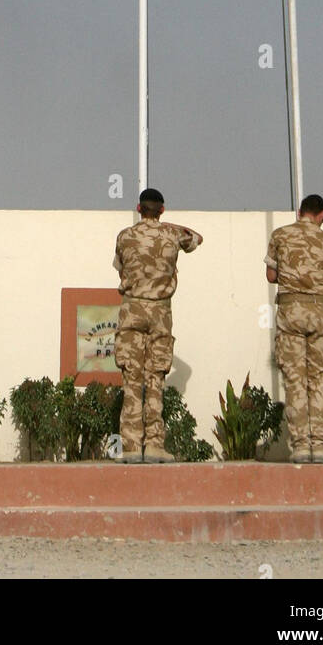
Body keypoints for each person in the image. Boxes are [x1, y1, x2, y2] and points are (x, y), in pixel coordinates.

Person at [112, 188, 203, 463]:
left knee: (132, 379)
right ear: (162, 210)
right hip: (161, 313)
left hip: (132, 309)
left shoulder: (125, 236)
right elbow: (197, 238)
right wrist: (165, 225)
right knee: (155, 379)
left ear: (138, 209)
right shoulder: (172, 235)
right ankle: (154, 446)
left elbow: (119, 268)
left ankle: (130, 448)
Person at [265, 193, 323, 464]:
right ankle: (321, 446)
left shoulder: (280, 235)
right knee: (319, 381)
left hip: (291, 312)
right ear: (322, 215)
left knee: (295, 380)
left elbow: (270, 276)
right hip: (321, 313)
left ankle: (301, 446)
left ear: (300, 211)